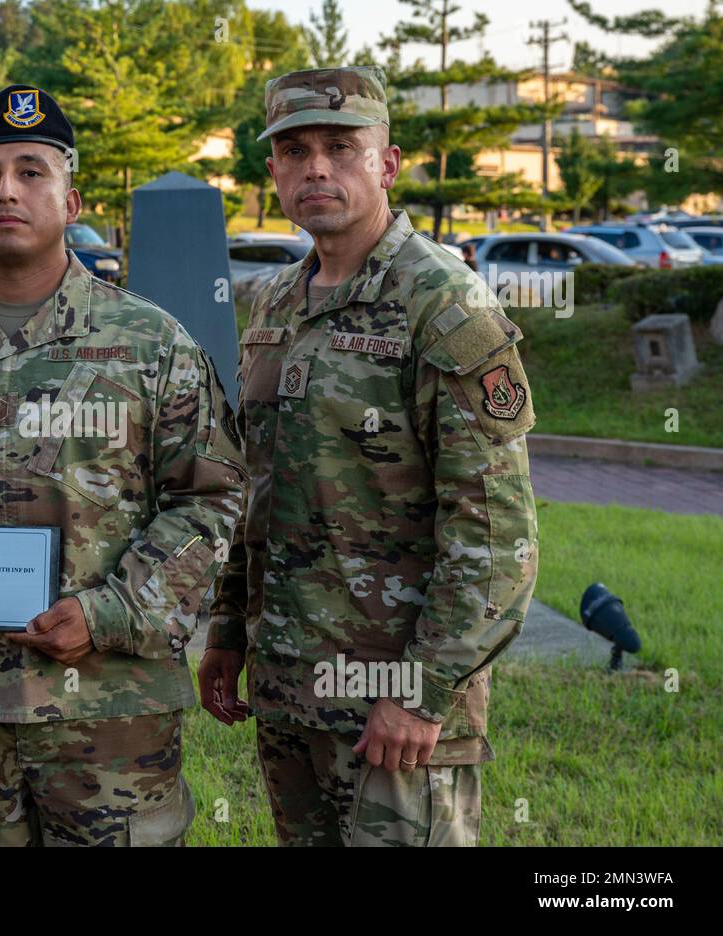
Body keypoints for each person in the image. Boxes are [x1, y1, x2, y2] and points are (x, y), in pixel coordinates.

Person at [0, 85, 247, 846]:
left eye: (32, 171)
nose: (7, 189)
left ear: (71, 202)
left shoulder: (152, 347)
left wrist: (107, 615)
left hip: (112, 716)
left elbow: (211, 499)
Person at [198, 66, 539, 846]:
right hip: (289, 687)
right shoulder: (276, 301)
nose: (317, 167)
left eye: (341, 148)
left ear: (385, 165)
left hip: (395, 702)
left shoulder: (445, 305)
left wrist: (421, 693)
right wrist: (226, 630)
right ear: (275, 171)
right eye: (295, 150)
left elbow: (495, 536)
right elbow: (256, 485)